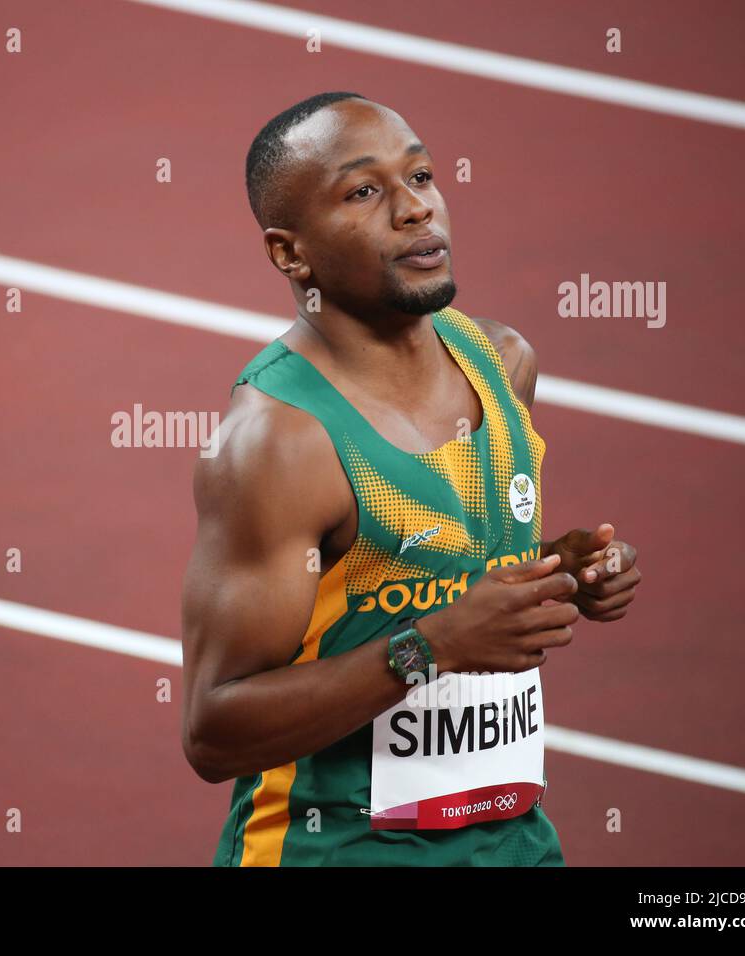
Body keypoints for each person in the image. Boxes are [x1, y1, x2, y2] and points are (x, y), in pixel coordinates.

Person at [180, 92, 641, 866]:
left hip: (510, 844)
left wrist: (564, 570)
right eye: (364, 192)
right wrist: (430, 647)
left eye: (421, 175)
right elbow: (213, 728)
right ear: (291, 253)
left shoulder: (501, 364)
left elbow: (454, 568)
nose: (415, 210)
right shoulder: (280, 443)